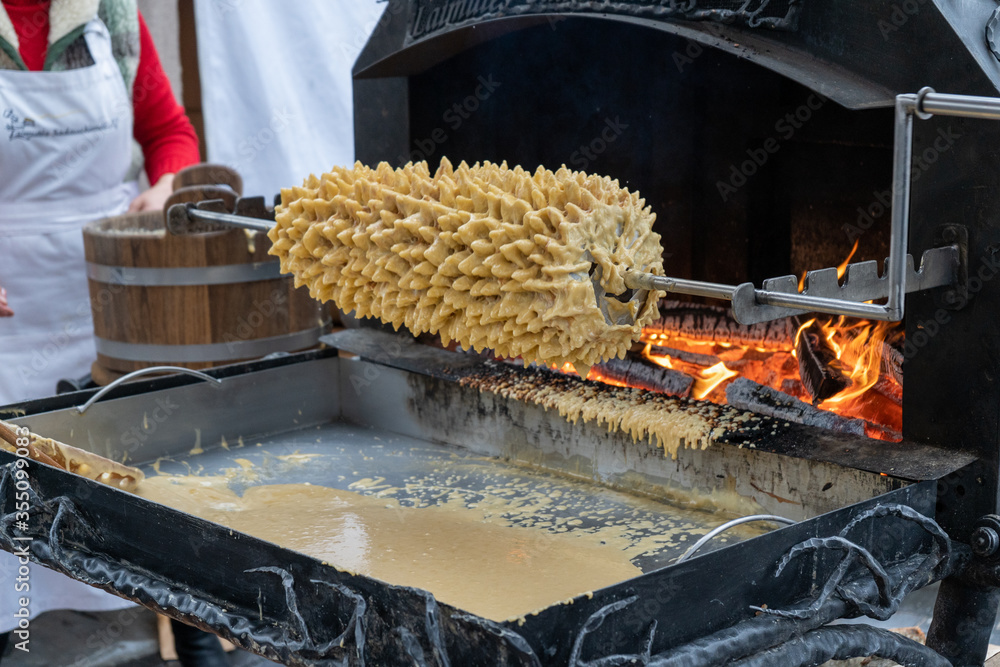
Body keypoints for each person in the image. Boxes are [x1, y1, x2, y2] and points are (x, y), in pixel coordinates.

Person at [0, 1, 227, 665]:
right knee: (12, 497)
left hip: (110, 304)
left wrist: (164, 186)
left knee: (136, 483)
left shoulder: (110, 16)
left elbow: (170, 132)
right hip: (11, 315)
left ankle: (194, 635)